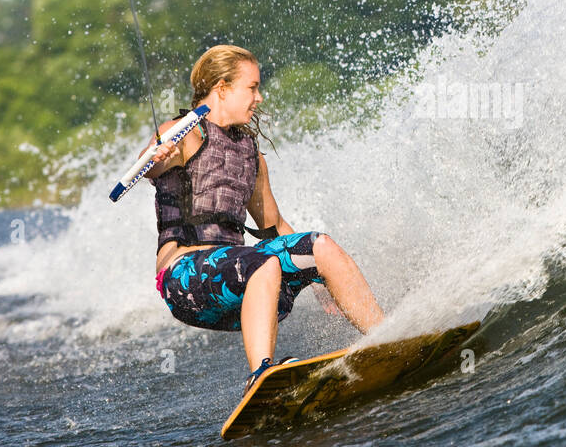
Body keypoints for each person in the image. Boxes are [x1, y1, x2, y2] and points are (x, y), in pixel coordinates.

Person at [141, 44, 385, 396]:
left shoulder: (249, 153)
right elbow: (152, 165)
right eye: (251, 87)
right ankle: (261, 375)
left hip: (240, 282)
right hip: (184, 281)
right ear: (222, 88)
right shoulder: (183, 133)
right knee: (264, 263)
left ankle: (386, 337)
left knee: (320, 245)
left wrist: (319, 280)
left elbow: (275, 228)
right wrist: (157, 156)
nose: (258, 97)